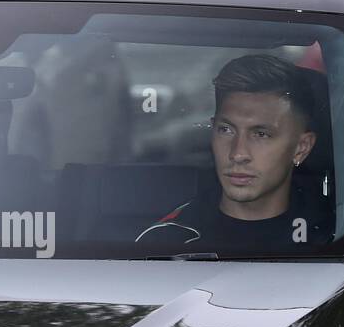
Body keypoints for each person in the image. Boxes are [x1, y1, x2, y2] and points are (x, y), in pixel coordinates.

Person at [135, 53, 329, 251]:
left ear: (301, 148)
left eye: (261, 134)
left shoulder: (335, 236)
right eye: (226, 130)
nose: (237, 154)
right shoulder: (167, 240)